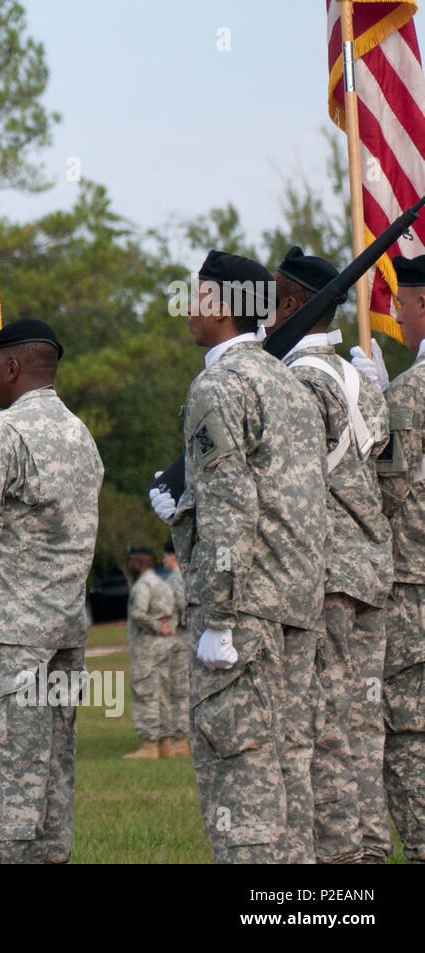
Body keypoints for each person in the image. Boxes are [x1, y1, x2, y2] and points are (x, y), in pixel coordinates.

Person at [150, 251, 328, 864]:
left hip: (244, 616)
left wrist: (219, 619)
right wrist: (182, 509)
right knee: (291, 790)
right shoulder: (291, 383)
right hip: (297, 612)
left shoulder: (218, 385)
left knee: (245, 800)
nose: (189, 309)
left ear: (223, 307)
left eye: (197, 296)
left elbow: (232, 508)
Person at [0, 319, 103, 863]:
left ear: (12, 367)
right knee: (53, 797)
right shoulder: (81, 436)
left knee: (11, 801)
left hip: (9, 643)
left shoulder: (1, 434)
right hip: (63, 633)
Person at [268, 246, 393, 864]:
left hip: (328, 576)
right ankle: (369, 852)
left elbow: (292, 485)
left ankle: (338, 869)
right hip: (371, 570)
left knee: (322, 731)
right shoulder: (355, 376)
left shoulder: (297, 382)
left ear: (292, 303)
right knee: (361, 725)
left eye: (269, 296)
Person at [353, 253, 425, 864]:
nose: (396, 314)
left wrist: (378, 411)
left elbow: (384, 495)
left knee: (408, 737)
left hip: (414, 596)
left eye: (401, 303)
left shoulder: (411, 394)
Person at [122, 546, 180, 760]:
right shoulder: (163, 585)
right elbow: (175, 611)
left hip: (146, 648)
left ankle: (149, 746)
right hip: (165, 647)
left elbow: (138, 612)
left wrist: (156, 627)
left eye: (131, 561)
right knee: (164, 694)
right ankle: (166, 745)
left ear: (140, 562)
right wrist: (168, 629)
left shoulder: (144, 584)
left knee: (145, 692)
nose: (129, 565)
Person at [162, 540, 190, 750]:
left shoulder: (175, 580)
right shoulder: (188, 576)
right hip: (188, 640)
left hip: (180, 640)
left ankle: (182, 737)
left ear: (172, 556)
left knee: (179, 690)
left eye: (164, 556)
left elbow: (182, 605)